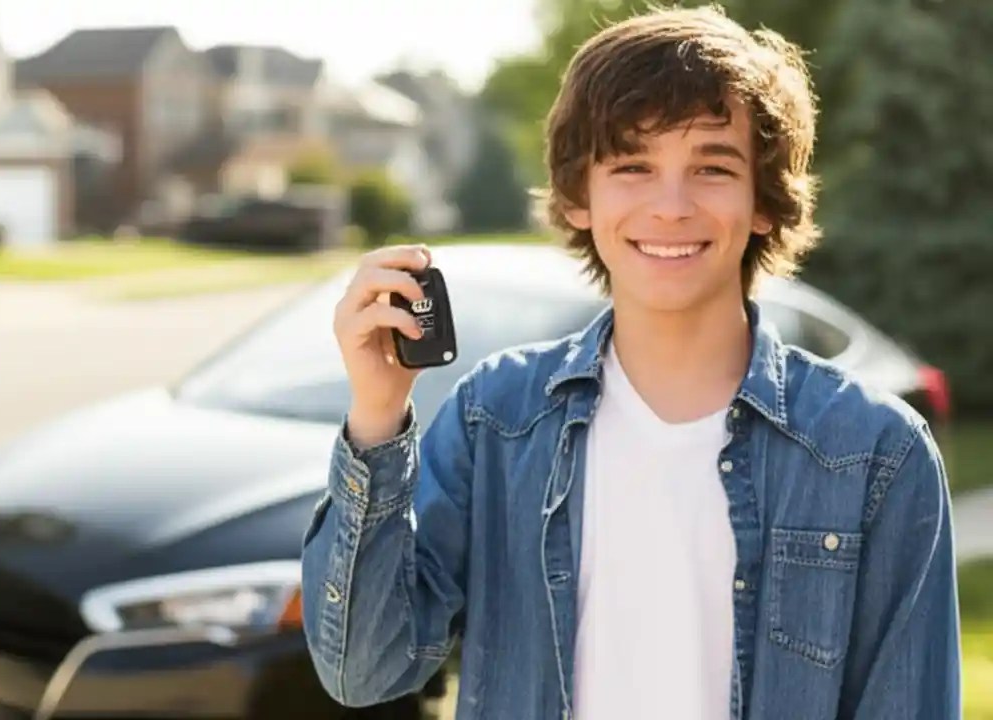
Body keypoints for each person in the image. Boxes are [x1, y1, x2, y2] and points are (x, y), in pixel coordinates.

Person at [299, 5, 962, 720]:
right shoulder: (496, 419)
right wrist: (376, 415)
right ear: (579, 197)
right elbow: (364, 671)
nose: (670, 206)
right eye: (633, 165)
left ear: (764, 201)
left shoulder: (876, 454)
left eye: (712, 166)